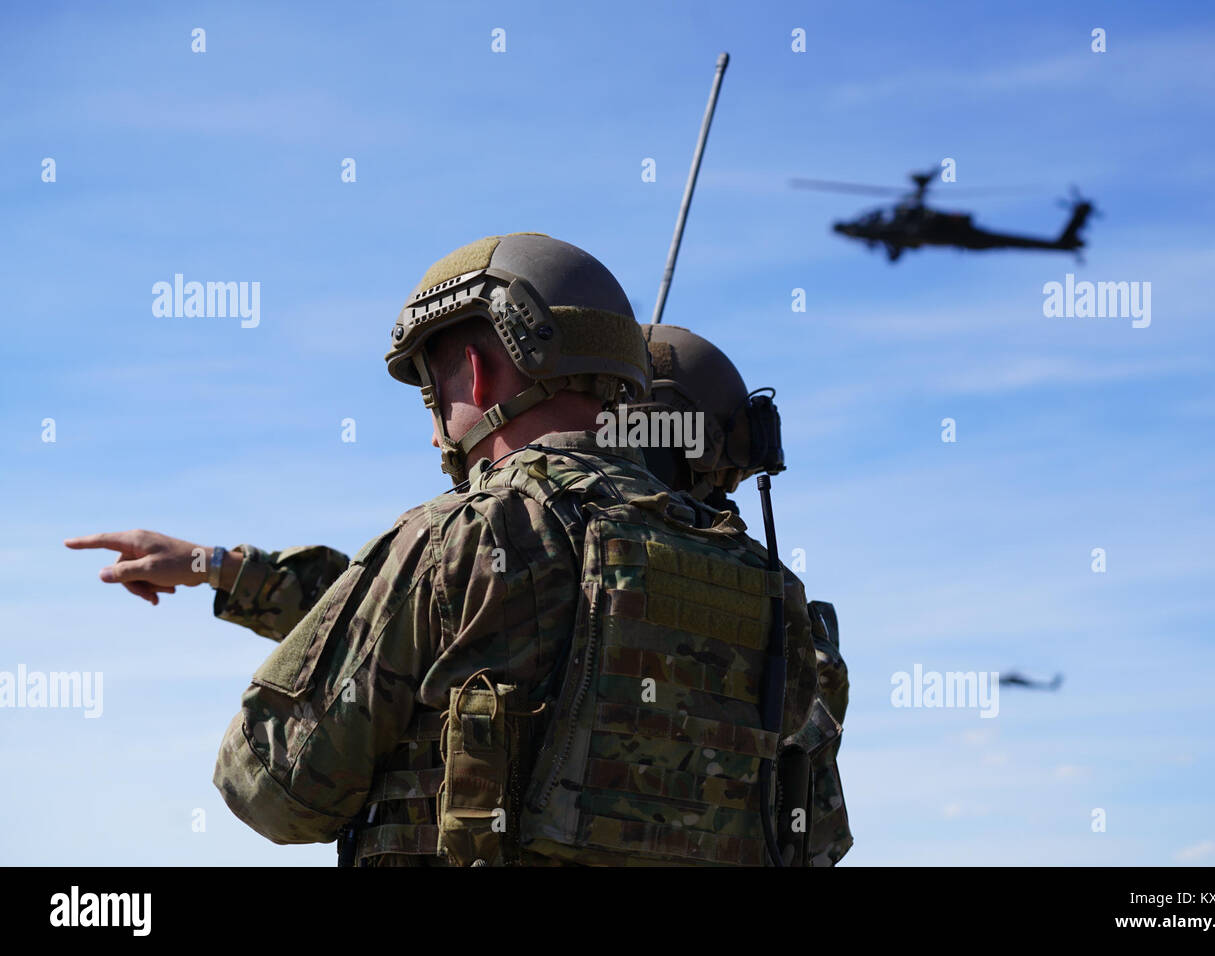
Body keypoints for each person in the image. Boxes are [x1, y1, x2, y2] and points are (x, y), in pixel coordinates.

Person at [67, 233, 824, 866]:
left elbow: (272, 788)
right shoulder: (770, 594)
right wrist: (222, 568)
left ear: (474, 371)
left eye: (433, 395)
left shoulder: (468, 532)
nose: (436, 433)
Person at [634, 323, 852, 866]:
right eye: (724, 477)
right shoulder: (771, 597)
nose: (728, 496)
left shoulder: (521, 541)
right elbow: (814, 838)